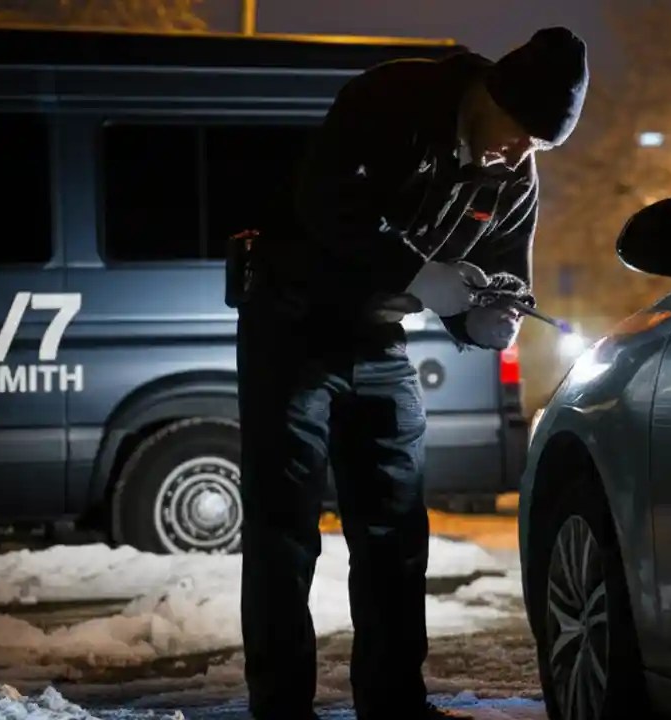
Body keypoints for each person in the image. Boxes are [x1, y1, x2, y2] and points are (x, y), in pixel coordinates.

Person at [236, 27, 589, 720]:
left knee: (395, 529)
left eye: (539, 147)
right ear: (491, 92)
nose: (520, 155)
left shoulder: (516, 173)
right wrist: (417, 273)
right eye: (520, 133)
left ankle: (393, 702)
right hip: (292, 323)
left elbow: (503, 269)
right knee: (285, 527)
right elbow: (325, 205)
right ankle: (280, 706)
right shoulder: (394, 99)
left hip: (378, 338)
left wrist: (485, 319)